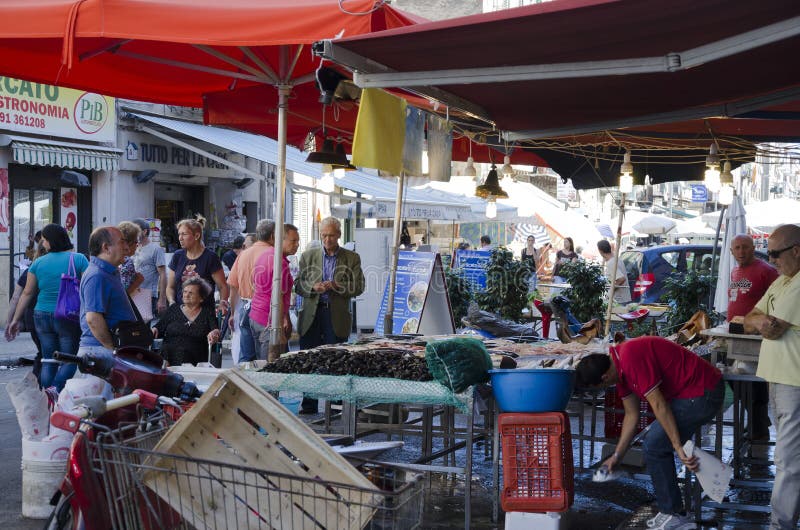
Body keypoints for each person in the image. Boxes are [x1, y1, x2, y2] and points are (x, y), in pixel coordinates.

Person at [576, 336, 724, 530]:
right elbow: (631, 415)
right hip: (688, 394)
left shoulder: (630, 358)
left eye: (600, 387)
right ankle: (671, 510)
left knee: (654, 445)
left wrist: (677, 445)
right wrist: (616, 456)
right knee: (655, 444)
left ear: (604, 378)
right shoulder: (618, 369)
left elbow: (659, 404)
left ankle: (675, 514)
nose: (604, 389)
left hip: (704, 391)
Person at [743, 224, 800, 530]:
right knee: (789, 456)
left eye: (775, 253)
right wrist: (759, 319)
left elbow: (772, 328)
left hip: (794, 381)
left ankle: (781, 524)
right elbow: (749, 319)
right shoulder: (782, 282)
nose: (772, 258)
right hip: (779, 379)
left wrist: (760, 320)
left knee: (787, 460)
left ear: (796, 250)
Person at [6, 224, 89, 390]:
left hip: (41, 315)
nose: (42, 243)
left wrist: (15, 319)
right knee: (70, 359)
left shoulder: (37, 264)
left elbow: (27, 294)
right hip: (68, 315)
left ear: (51, 241)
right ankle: (56, 389)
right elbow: (89, 286)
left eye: (44, 240)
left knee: (48, 359)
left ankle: (47, 395)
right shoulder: (78, 259)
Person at [296, 217, 365, 413]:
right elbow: (298, 285)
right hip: (311, 315)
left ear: (339, 235)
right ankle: (308, 404)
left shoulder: (352, 258)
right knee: (308, 359)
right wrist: (312, 287)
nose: (327, 239)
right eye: (324, 235)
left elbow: (359, 287)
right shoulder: (307, 256)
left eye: (331, 236)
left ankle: (335, 405)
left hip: (336, 315)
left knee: (336, 360)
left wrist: (337, 286)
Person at [727, 234, 779, 441]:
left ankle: (758, 423)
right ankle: (757, 419)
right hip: (735, 334)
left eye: (745, 247)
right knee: (736, 378)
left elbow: (778, 300)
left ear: (753, 247)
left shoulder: (766, 271)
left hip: (755, 337)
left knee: (753, 380)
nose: (741, 251)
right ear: (731, 252)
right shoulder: (734, 270)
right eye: (737, 248)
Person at [78, 226, 136, 362]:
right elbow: (93, 319)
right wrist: (112, 349)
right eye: (122, 242)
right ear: (106, 248)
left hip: (103, 350)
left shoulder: (108, 272)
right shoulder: (97, 275)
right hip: (99, 352)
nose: (127, 248)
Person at [249, 224, 300, 361]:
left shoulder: (265, 254)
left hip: (256, 316)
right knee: (270, 368)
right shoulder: (279, 263)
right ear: (279, 239)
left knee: (262, 363)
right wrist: (283, 321)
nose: (297, 245)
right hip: (269, 321)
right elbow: (277, 297)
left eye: (298, 241)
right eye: (293, 241)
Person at [227, 220, 275, 363]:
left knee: (246, 357)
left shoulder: (244, 254)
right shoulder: (273, 254)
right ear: (273, 236)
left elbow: (233, 286)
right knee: (267, 359)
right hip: (265, 310)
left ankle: (244, 384)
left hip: (244, 308)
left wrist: (233, 313)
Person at [166, 215, 229, 314]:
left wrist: (223, 303)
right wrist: (171, 302)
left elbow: (222, 286)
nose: (180, 238)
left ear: (196, 236)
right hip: (179, 312)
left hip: (204, 314)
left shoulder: (210, 257)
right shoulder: (177, 256)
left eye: (184, 234)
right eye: (179, 234)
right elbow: (170, 287)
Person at [152, 277, 220, 366]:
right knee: (166, 349)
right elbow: (159, 327)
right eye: (185, 291)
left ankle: (170, 375)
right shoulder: (173, 309)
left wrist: (214, 333)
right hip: (169, 351)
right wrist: (154, 329)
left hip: (196, 354)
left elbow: (215, 329)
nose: (186, 295)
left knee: (181, 351)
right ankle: (167, 375)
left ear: (201, 298)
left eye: (191, 293)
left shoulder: (207, 312)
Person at [5, 238, 46, 369]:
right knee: (53, 356)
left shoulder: (30, 269)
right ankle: (48, 386)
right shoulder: (62, 267)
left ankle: (41, 385)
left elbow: (15, 298)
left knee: (42, 354)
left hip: (33, 317)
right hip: (56, 315)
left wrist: (10, 321)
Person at [132, 218, 167, 319]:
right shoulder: (132, 248)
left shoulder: (155, 249)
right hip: (131, 293)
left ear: (144, 231)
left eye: (135, 230)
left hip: (148, 294)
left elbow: (163, 274)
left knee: (144, 327)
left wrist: (162, 299)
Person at [597, 239, 632, 304]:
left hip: (619, 300)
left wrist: (610, 292)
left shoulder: (611, 263)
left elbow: (621, 279)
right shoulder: (616, 259)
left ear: (600, 251)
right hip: (623, 299)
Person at [117, 221, 144, 295]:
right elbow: (123, 294)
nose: (137, 245)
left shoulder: (114, 258)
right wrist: (137, 281)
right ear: (129, 243)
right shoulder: (127, 261)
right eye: (136, 242)